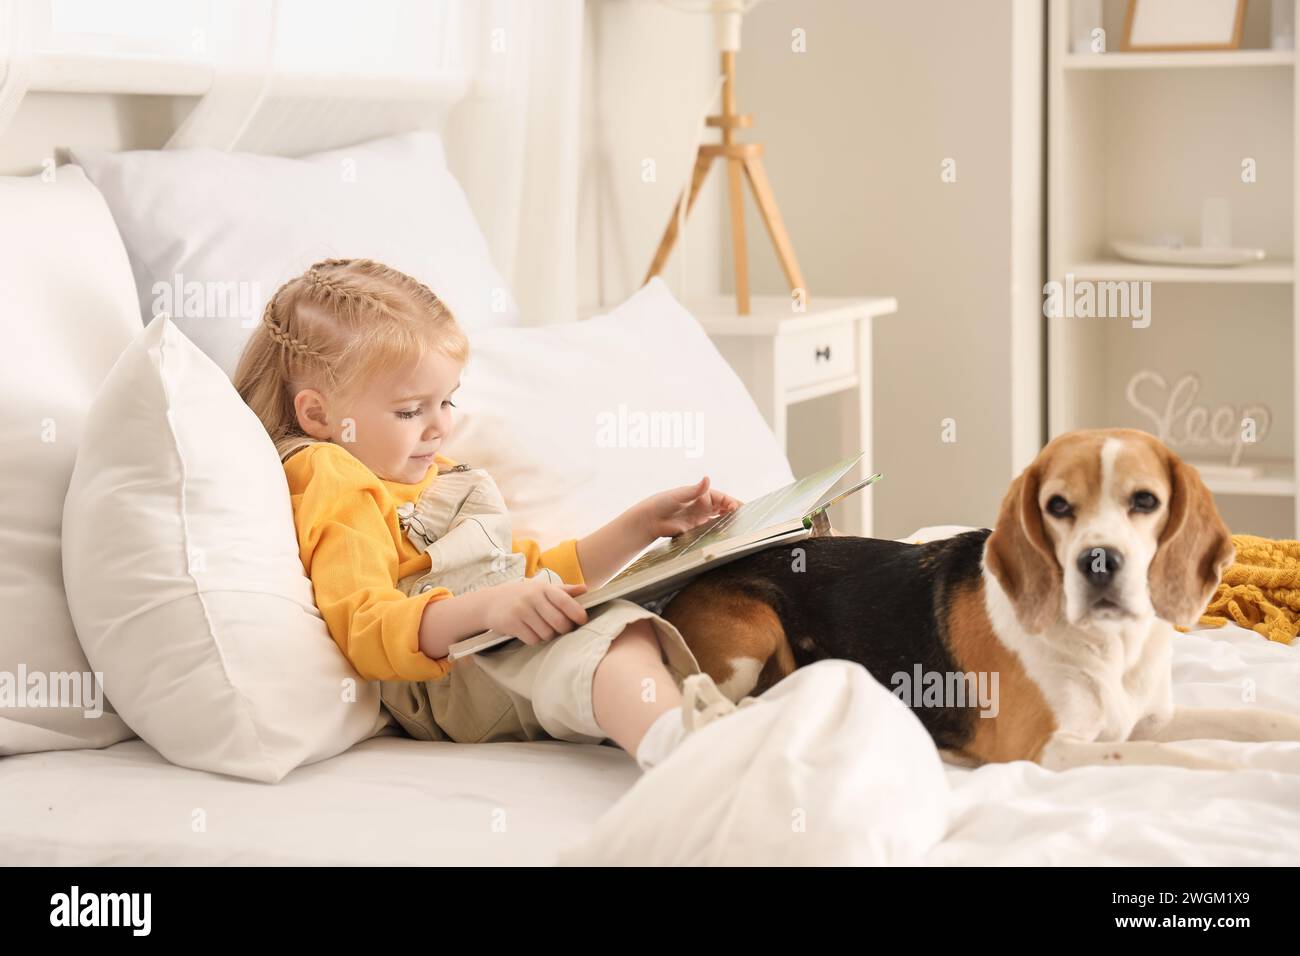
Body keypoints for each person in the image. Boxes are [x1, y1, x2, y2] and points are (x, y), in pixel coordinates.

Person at [233, 258, 754, 772]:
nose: (439, 427)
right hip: (450, 676)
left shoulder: (429, 473)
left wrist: (640, 527)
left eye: (447, 401)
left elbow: (530, 571)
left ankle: (697, 734)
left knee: (640, 626)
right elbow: (367, 628)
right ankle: (686, 761)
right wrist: (488, 610)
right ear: (319, 414)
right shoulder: (331, 472)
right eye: (411, 410)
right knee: (616, 636)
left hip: (492, 646)